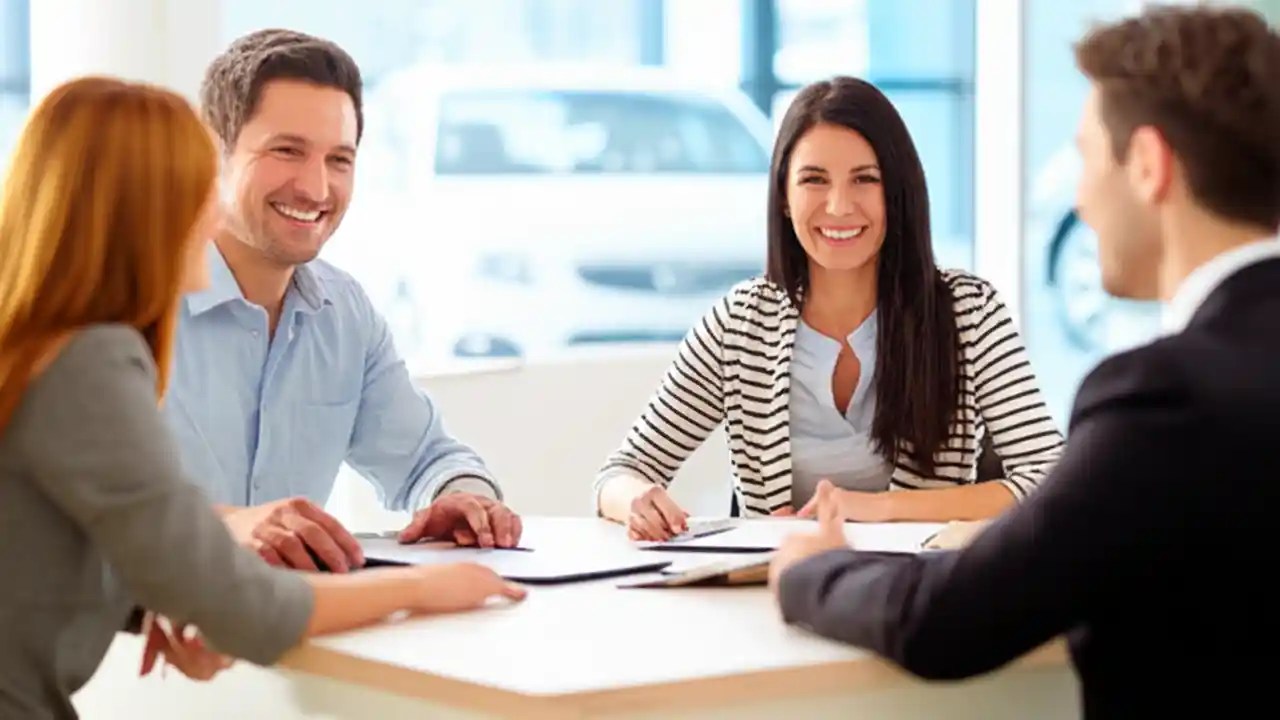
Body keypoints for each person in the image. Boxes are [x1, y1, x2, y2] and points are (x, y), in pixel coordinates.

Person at [770, 5, 1280, 717]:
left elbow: (947, 622)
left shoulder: (1163, 399)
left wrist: (815, 571)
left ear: (1147, 165)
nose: (1080, 198)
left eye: (1086, 156)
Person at [0, 76, 525, 720]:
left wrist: (157, 597)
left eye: (339, 158)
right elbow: (246, 610)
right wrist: (427, 587)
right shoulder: (92, 359)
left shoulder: (41, 346)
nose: (211, 214)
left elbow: (42, 540)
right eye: (197, 190)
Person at [594, 76, 1064, 539]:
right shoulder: (740, 324)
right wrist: (635, 499)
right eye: (814, 180)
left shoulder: (969, 312)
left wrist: (875, 509)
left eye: (865, 179)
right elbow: (621, 471)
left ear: (896, 194)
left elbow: (1051, 479)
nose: (839, 206)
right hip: (778, 592)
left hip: (919, 596)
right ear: (783, 196)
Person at [164, 29, 521, 572]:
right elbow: (67, 505)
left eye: (339, 159)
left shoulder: (345, 315)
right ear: (215, 152)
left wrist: (462, 498)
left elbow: (428, 457)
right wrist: (227, 525)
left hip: (287, 632)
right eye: (287, 151)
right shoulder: (130, 301)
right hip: (130, 642)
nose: (316, 188)